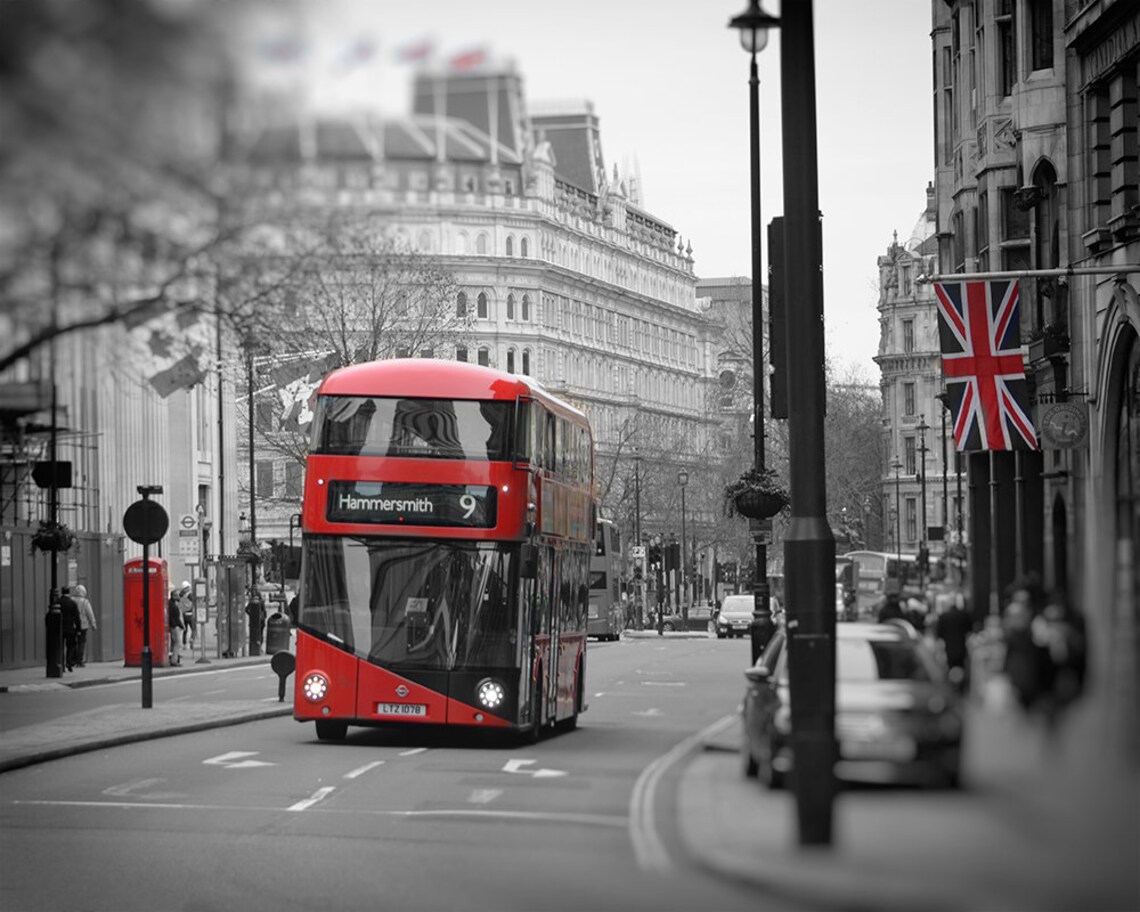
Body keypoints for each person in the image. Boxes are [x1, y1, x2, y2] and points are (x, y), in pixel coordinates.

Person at [934, 592, 973, 694]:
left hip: (949, 648)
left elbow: (939, 633)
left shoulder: (944, 617)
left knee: (951, 667)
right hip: (961, 647)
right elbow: (970, 630)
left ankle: (952, 687)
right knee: (961, 667)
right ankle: (961, 688)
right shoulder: (964, 616)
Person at [72, 584, 97, 667]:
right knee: (81, 643)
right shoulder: (85, 602)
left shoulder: (71, 600)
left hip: (73, 625)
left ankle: (72, 659)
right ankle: (79, 660)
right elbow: (90, 614)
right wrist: (93, 624)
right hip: (83, 625)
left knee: (73, 643)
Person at [58, 587, 81, 672]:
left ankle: (61, 665)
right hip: (70, 628)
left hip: (60, 629)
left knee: (60, 647)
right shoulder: (72, 603)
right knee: (71, 646)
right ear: (68, 592)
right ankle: (69, 662)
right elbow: (77, 617)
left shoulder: (58, 602)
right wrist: (78, 629)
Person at [168, 585, 184, 665]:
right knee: (177, 643)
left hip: (172, 626)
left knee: (173, 643)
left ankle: (171, 658)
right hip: (174, 626)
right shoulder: (173, 606)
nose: (178, 597)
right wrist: (180, 625)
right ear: (173, 596)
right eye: (177, 595)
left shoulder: (171, 604)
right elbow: (175, 618)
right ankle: (174, 660)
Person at [176, 581, 195, 648]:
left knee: (185, 630)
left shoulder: (180, 594)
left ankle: (184, 643)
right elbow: (194, 601)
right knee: (194, 629)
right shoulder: (189, 594)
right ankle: (191, 639)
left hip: (183, 613)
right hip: (190, 613)